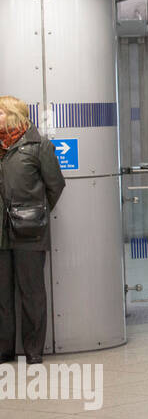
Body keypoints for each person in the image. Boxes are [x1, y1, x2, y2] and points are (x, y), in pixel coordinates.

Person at [0, 96, 66, 364]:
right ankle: (4, 351)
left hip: (30, 232)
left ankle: (33, 352)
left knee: (32, 293)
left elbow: (55, 185)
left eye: (0, 112)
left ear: (14, 115)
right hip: (1, 233)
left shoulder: (39, 146)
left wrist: (35, 214)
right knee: (3, 295)